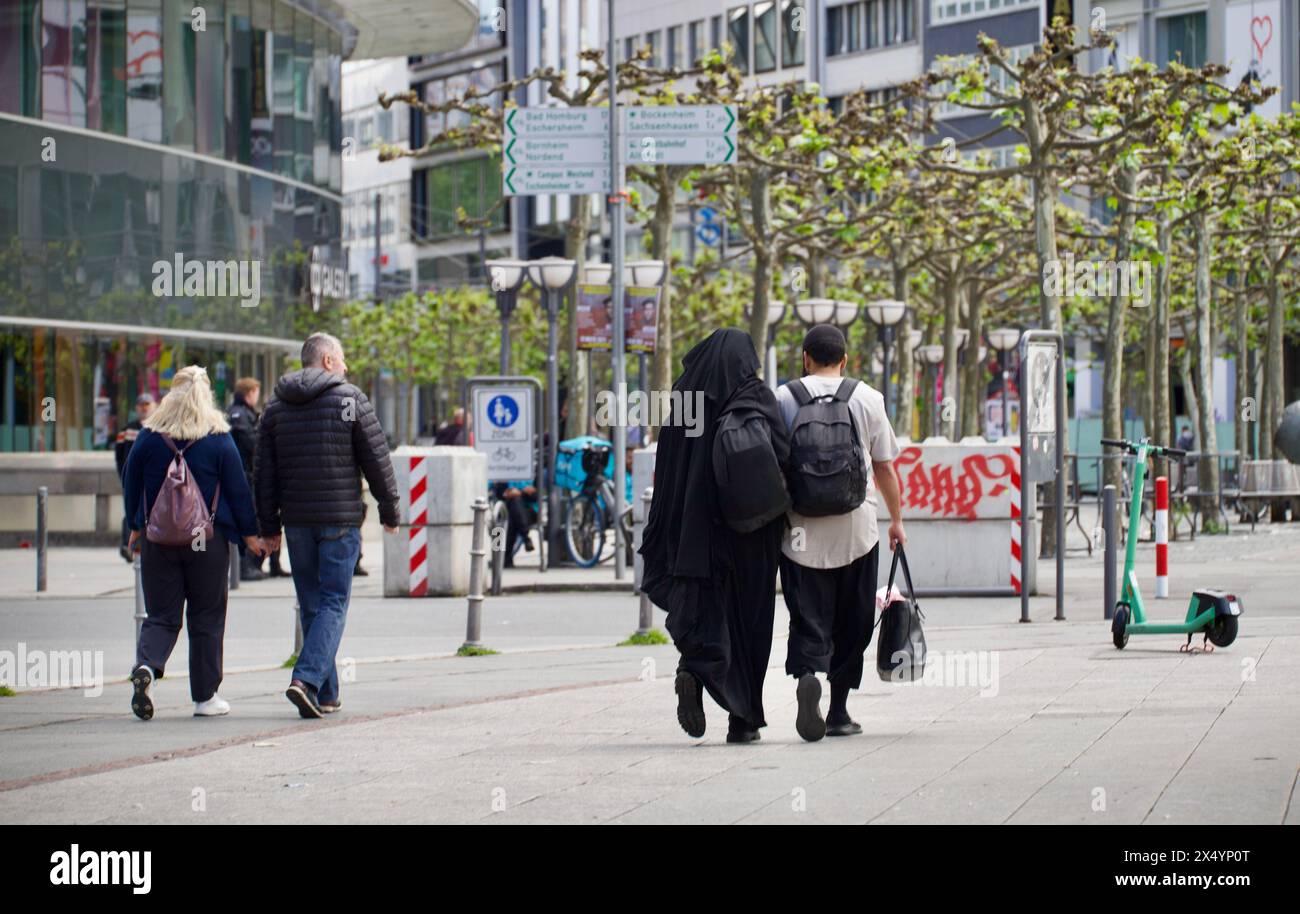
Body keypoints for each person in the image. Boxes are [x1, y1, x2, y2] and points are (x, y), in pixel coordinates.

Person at [640, 328, 790, 743]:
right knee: (751, 620)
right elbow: (783, 457)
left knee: (705, 607)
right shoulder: (755, 397)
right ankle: (743, 721)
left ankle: (694, 666)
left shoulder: (684, 401)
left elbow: (666, 470)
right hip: (751, 533)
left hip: (695, 533)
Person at [256, 332, 400, 718]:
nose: (347, 366)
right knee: (333, 604)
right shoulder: (349, 400)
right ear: (327, 362)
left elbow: (263, 474)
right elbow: (376, 456)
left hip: (298, 523)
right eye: (342, 358)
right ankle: (304, 679)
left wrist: (269, 526)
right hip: (339, 520)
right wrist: (389, 510)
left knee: (312, 605)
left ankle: (325, 693)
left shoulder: (275, 408)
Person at [777, 324, 906, 741]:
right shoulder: (867, 398)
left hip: (800, 532)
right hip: (857, 530)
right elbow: (884, 465)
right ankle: (837, 711)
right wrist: (897, 521)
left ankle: (806, 674)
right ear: (845, 360)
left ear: (805, 357)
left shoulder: (784, 398)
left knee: (806, 613)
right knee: (852, 619)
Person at [121, 366, 264, 720]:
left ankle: (148, 666)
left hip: (159, 540)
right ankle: (205, 697)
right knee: (206, 615)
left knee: (162, 615)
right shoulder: (218, 437)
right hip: (205, 541)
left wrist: (136, 524)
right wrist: (250, 534)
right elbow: (238, 489)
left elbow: (130, 479)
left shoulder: (149, 436)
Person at [227, 377, 285, 581]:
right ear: (249, 393)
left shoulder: (246, 413)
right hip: (246, 475)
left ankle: (272, 563)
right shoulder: (239, 415)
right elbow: (252, 444)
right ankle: (247, 566)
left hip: (252, 473)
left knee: (268, 516)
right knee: (254, 518)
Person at [115, 392, 154, 563]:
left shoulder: (157, 427)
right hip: (132, 478)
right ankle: (128, 545)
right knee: (130, 509)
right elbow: (119, 455)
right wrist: (123, 477)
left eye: (147, 404)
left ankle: (144, 544)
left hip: (150, 479)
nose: (144, 408)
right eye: (141, 405)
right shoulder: (127, 429)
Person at [491, 480, 538, 567]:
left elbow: (536, 495)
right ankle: (526, 537)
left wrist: (520, 493)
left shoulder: (533, 472)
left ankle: (500, 558)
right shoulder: (501, 474)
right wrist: (508, 493)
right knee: (510, 516)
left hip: (528, 511)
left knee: (510, 515)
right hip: (506, 510)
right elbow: (497, 491)